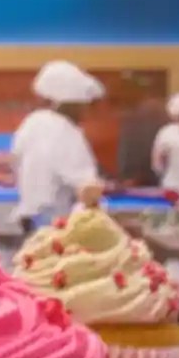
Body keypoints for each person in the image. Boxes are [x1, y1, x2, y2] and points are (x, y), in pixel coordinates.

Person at [11, 60, 105, 233]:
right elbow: (87, 187)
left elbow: (15, 162)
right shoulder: (65, 130)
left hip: (29, 219)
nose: (86, 113)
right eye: (85, 106)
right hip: (57, 222)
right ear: (71, 104)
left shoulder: (31, 123)